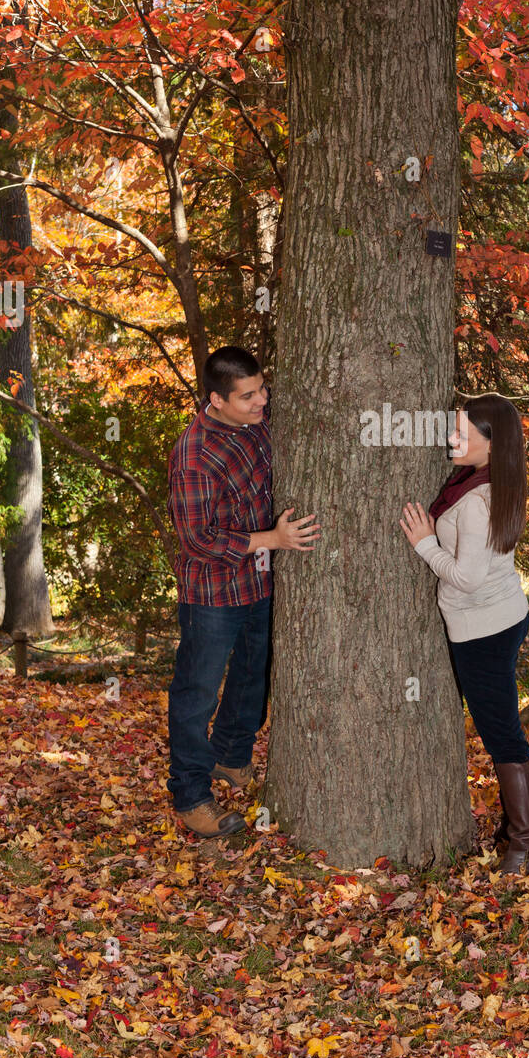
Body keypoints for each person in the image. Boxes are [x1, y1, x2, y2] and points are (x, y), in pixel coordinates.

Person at [166, 346, 320, 839]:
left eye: (263, 389)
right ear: (217, 399)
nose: (262, 402)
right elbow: (197, 539)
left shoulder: (254, 422)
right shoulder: (195, 455)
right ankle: (191, 795)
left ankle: (231, 758)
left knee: (253, 677)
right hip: (211, 593)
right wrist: (273, 540)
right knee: (197, 694)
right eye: (249, 396)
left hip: (257, 582)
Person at [399, 394, 529, 875]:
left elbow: (466, 577)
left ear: (491, 443)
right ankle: (515, 830)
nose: (451, 439)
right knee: (500, 728)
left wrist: (424, 545)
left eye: (462, 433)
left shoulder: (478, 499)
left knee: (501, 734)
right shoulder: (481, 481)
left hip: (484, 629)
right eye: (453, 428)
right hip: (501, 617)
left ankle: (527, 845)